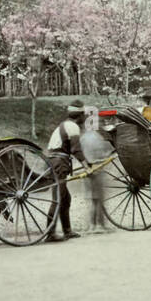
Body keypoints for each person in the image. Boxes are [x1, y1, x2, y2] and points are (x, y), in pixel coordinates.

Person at [45, 102, 86, 241]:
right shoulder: (73, 126)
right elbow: (76, 149)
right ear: (79, 115)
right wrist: (87, 165)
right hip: (58, 162)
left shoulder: (64, 124)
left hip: (54, 161)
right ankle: (50, 234)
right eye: (83, 115)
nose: (84, 118)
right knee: (58, 198)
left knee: (65, 198)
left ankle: (67, 231)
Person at [79, 109, 113, 233]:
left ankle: (91, 226)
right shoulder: (99, 138)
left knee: (92, 199)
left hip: (87, 170)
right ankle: (100, 226)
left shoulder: (83, 138)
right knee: (99, 199)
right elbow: (106, 152)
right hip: (97, 169)